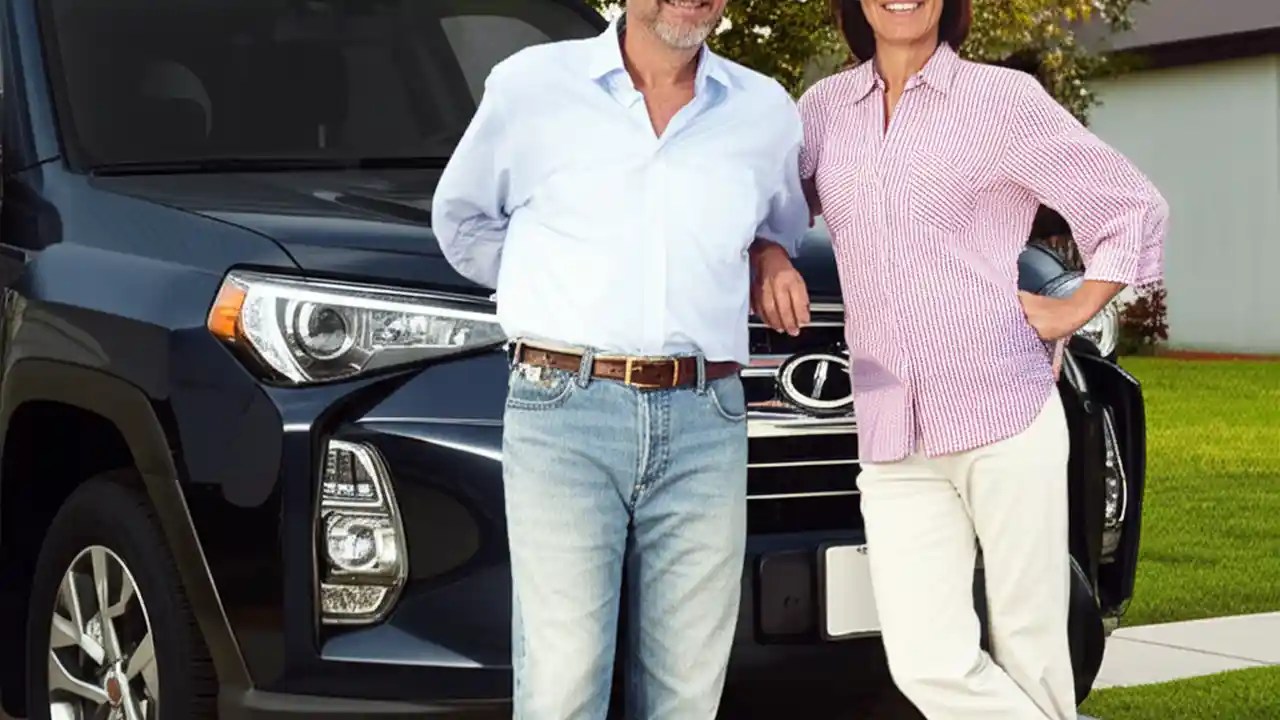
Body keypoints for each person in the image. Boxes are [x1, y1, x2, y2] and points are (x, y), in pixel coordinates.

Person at [751, 0, 1168, 718]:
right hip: (892, 430)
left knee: (1034, 656)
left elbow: (1130, 204)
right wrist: (769, 254)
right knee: (926, 662)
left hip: (1003, 412)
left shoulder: (1000, 100)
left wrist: (1074, 308)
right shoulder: (823, 110)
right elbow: (772, 210)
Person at [430, 0, 811, 717]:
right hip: (565, 407)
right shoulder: (531, 86)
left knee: (689, 688)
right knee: (565, 679)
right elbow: (462, 222)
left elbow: (774, 227)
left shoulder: (765, 112)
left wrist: (769, 256)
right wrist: (556, 286)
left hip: (708, 416)